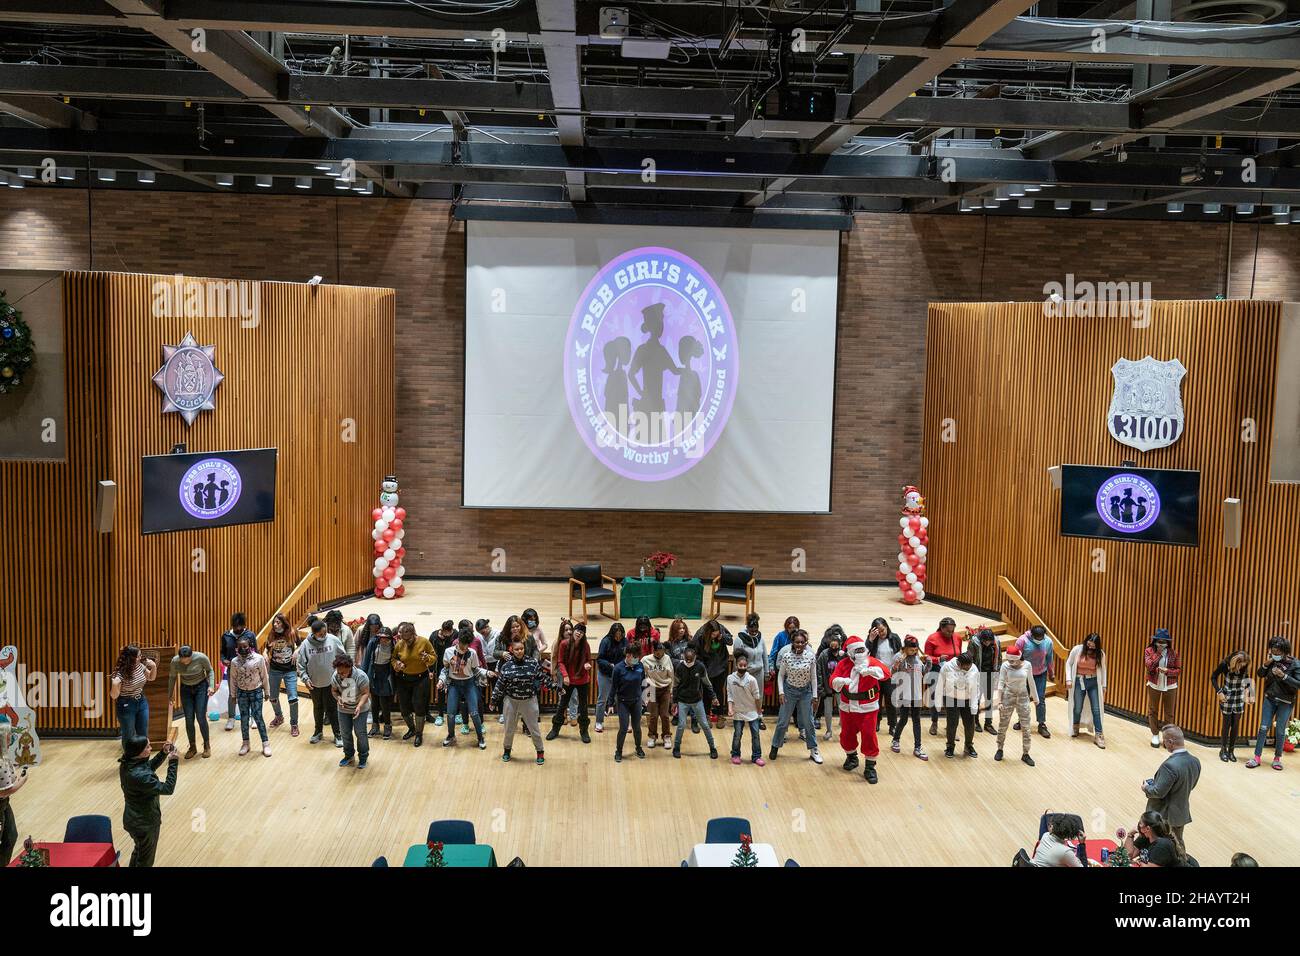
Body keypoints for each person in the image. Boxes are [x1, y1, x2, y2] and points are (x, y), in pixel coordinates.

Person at [830, 635, 891, 783]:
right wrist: (840, 680)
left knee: (869, 736)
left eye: (861, 650)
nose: (859, 653)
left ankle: (870, 767)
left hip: (868, 708)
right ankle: (852, 757)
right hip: (847, 707)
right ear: (850, 653)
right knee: (847, 734)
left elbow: (886, 673)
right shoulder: (843, 664)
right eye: (856, 651)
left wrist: (870, 671)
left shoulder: (873, 662)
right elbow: (832, 680)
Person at [118, 733, 179, 867]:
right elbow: (168, 788)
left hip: (133, 819)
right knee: (145, 861)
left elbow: (148, 767)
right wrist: (173, 761)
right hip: (144, 823)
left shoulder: (128, 763)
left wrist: (163, 753)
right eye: (147, 747)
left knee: (139, 852)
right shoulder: (139, 776)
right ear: (139, 752)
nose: (151, 748)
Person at [491, 637, 550, 764]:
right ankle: (507, 750)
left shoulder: (532, 663)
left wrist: (556, 687)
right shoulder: (506, 666)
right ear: (511, 650)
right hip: (511, 701)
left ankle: (540, 752)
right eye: (516, 649)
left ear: (524, 649)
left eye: (521, 649)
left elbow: (543, 678)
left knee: (534, 728)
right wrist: (493, 700)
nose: (519, 651)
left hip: (529, 700)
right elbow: (500, 684)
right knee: (509, 729)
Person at [1142, 724, 1200, 847]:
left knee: (1160, 848)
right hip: (1180, 813)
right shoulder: (1195, 761)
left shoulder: (1170, 766)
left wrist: (1146, 787)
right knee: (1178, 845)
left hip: (1163, 816)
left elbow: (1158, 792)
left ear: (1170, 741)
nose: (1163, 743)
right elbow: (1191, 785)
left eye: (1164, 740)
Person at [770, 627, 822, 764]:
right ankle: (775, 746)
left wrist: (815, 695)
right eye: (797, 642)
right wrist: (781, 692)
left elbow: (814, 678)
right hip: (789, 691)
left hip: (806, 692)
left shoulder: (810, 656)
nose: (799, 644)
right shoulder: (787, 656)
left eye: (802, 642)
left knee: (809, 722)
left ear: (806, 643)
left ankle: (813, 749)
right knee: (782, 721)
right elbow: (780, 676)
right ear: (792, 642)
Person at [1248, 636, 1299, 770]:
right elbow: (1260, 674)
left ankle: (1277, 759)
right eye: (1273, 652)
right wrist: (1267, 662)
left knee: (1280, 731)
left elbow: (1298, 684)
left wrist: (1284, 676)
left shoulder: (1295, 664)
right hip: (1269, 699)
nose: (1275, 655)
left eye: (1277, 653)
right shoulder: (1272, 661)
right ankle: (1256, 758)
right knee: (1263, 728)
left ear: (1285, 651)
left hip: (1286, 702)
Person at [298, 618, 347, 747]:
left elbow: (343, 657)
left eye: (325, 633)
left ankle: (338, 734)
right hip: (314, 684)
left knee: (332, 709)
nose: (324, 636)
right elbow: (301, 665)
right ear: (313, 633)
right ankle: (318, 732)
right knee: (318, 708)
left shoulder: (333, 639)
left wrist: (341, 674)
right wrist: (305, 679)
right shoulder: (305, 645)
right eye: (321, 634)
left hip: (331, 683)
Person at [438, 627, 488, 749]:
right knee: (450, 713)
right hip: (454, 684)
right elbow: (445, 669)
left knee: (474, 712)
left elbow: (475, 670)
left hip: (469, 684)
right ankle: (451, 735)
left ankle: (480, 737)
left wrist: (486, 674)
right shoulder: (448, 652)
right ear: (457, 640)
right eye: (462, 644)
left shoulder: (472, 653)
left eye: (467, 645)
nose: (464, 648)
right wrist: (441, 680)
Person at [993, 643, 1037, 766]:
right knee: (1003, 724)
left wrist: (1036, 698)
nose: (1011, 662)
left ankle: (1026, 753)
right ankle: (999, 749)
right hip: (1008, 695)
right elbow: (1001, 683)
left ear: (1019, 657)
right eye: (1009, 660)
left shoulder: (1027, 665)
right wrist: (999, 701)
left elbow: (1031, 682)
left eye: (1013, 660)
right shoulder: (1005, 666)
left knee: (1026, 727)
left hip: (1023, 696)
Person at [671, 643, 718, 759]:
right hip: (683, 700)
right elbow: (675, 686)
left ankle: (712, 747)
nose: (688, 661)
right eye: (686, 659)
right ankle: (676, 748)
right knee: (681, 725)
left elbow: (707, 683)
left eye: (691, 659)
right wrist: (674, 702)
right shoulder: (680, 667)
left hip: (697, 701)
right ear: (683, 657)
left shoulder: (700, 667)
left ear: (695, 657)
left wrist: (714, 697)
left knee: (705, 725)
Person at [549, 618, 593, 742]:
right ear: (573, 631)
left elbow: (589, 660)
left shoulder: (586, 645)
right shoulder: (564, 644)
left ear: (584, 635)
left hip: (583, 680)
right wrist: (565, 675)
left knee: (583, 708)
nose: (578, 633)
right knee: (562, 705)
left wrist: (588, 665)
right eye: (577, 630)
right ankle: (555, 729)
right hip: (568, 680)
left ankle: (584, 731)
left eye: (581, 632)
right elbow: (560, 661)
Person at [169, 644, 214, 758]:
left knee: (200, 716)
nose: (184, 663)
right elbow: (172, 677)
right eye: (182, 660)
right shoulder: (175, 661)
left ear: (191, 655)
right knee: (189, 718)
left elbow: (210, 671)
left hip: (201, 687)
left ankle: (207, 745)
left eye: (187, 660)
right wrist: (170, 695)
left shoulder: (201, 658)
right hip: (186, 689)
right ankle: (192, 747)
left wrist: (211, 686)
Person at [229, 636, 271, 757]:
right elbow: (233, 679)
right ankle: (245, 743)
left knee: (258, 717)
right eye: (240, 647)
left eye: (245, 646)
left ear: (250, 646)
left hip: (256, 691)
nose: (243, 649)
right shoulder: (234, 662)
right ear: (237, 648)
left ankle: (265, 744)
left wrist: (267, 691)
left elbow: (264, 675)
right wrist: (233, 695)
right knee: (244, 718)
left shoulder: (259, 659)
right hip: (242, 692)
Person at [1063, 632, 1106, 747]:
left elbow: (1103, 670)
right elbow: (1069, 663)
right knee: (1077, 707)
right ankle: (1075, 725)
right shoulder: (1077, 650)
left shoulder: (1100, 654)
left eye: (1093, 646)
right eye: (1089, 644)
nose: (1090, 647)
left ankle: (1099, 735)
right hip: (1078, 681)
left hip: (1093, 682)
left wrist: (1104, 685)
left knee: (1096, 709)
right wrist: (1068, 679)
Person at [889, 635, 928, 760]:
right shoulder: (898, 657)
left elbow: (924, 673)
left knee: (917, 720)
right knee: (904, 719)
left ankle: (918, 747)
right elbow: (892, 675)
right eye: (911, 650)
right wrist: (896, 666)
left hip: (916, 695)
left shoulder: (917, 658)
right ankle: (895, 740)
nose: (914, 652)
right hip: (904, 694)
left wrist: (929, 664)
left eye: (916, 650)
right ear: (905, 648)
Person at [1209, 649, 1252, 762]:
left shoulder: (1245, 665)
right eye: (1241, 664)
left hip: (1239, 697)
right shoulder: (1224, 664)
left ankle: (1231, 751)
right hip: (1227, 696)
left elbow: (1248, 681)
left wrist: (1250, 695)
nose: (1242, 666)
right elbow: (1213, 677)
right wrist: (1219, 692)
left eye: (1244, 665)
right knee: (1226, 724)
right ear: (1235, 661)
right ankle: (1223, 750)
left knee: (1236, 725)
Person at [605, 645, 647, 762]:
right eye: (634, 657)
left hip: (636, 701)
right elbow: (613, 687)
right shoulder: (618, 668)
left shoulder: (640, 666)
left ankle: (638, 748)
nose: (637, 659)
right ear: (627, 656)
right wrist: (610, 704)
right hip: (623, 702)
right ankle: (618, 751)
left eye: (637, 657)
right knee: (623, 728)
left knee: (637, 727)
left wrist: (646, 698)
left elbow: (643, 682)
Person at [1014, 625, 1054, 739]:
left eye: (1041, 637)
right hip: (1024, 674)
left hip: (1041, 674)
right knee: (1023, 698)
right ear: (1032, 635)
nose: (1039, 640)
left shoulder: (1048, 642)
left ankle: (1041, 724)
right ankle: (1021, 720)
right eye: (1037, 637)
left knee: (1040, 699)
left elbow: (1050, 658)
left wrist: (1052, 673)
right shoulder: (1022, 641)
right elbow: (1015, 657)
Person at [331, 653, 371, 769]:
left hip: (360, 709)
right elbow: (334, 691)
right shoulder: (336, 676)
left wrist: (359, 706)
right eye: (339, 672)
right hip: (343, 709)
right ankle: (348, 755)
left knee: (360, 733)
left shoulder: (361, 676)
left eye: (343, 673)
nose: (340, 675)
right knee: (345, 733)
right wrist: (338, 698)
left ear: (350, 668)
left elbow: (365, 693)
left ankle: (363, 757)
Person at [938, 652, 980, 759]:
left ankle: (969, 745)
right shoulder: (947, 667)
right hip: (951, 698)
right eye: (965, 667)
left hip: (968, 699)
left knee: (970, 724)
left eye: (969, 666)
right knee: (952, 723)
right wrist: (938, 702)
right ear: (959, 664)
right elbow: (940, 684)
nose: (968, 668)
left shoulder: (974, 669)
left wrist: (975, 705)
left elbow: (976, 687)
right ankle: (950, 746)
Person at [923, 617, 962, 736]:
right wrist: (938, 659)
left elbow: (960, 654)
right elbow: (926, 658)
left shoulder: (957, 637)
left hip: (953, 674)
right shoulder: (932, 638)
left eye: (952, 631)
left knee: (952, 700)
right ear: (941, 628)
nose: (950, 634)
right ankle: (934, 722)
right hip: (936, 671)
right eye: (948, 631)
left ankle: (950, 726)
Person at [264, 612, 300, 738]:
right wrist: (265, 655)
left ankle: (294, 724)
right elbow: (266, 648)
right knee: (273, 697)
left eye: (278, 622)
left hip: (290, 670)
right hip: (275, 669)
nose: (275, 624)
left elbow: (301, 645)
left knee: (293, 698)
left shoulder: (292, 633)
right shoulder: (271, 634)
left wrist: (297, 651)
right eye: (274, 622)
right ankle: (279, 716)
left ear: (284, 623)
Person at [1142, 628, 1180, 748]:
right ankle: (1155, 734)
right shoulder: (1149, 651)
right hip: (1154, 683)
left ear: (1168, 642)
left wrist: (1168, 671)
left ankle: (1167, 737)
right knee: (1153, 710)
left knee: (1169, 713)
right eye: (1159, 641)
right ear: (1155, 641)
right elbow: (1149, 666)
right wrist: (1158, 654)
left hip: (1170, 685)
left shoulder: (1174, 653)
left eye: (1164, 642)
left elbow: (1178, 670)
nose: (1161, 644)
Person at [110, 644, 156, 740]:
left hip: (141, 701)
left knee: (143, 733)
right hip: (126, 704)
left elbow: (151, 678)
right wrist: (114, 684)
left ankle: (144, 755)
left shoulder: (139, 666)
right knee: (129, 735)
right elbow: (114, 696)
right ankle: (129, 755)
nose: (141, 658)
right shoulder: (120, 672)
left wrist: (154, 666)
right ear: (131, 658)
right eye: (138, 656)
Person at [727, 650, 765, 766]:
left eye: (744, 666)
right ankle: (735, 754)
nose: (742, 667)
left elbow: (757, 697)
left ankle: (756, 756)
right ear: (736, 665)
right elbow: (730, 694)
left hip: (752, 711)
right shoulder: (730, 678)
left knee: (755, 734)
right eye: (740, 665)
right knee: (737, 734)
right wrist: (730, 708)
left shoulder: (752, 680)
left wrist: (759, 712)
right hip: (738, 711)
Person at [866, 618, 903, 736]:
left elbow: (901, 652)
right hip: (876, 674)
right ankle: (876, 722)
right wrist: (870, 639)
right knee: (875, 700)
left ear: (887, 627)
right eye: (879, 632)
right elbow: (864, 653)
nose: (882, 633)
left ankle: (892, 725)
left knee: (891, 701)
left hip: (890, 674)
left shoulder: (895, 638)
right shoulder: (872, 639)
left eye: (883, 630)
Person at [361, 625, 396, 739]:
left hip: (386, 675)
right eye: (381, 637)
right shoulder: (373, 643)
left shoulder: (394, 645)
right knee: (374, 702)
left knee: (384, 703)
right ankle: (375, 726)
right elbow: (366, 660)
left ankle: (387, 725)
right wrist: (363, 676)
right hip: (374, 674)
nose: (383, 640)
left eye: (386, 638)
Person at [695, 619, 733, 725]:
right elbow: (694, 650)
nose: (714, 635)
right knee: (707, 692)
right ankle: (706, 715)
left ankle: (720, 715)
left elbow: (730, 641)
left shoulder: (721, 629)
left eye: (716, 633)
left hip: (721, 667)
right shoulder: (701, 634)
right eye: (712, 634)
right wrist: (701, 666)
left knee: (719, 691)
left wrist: (723, 637)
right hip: (707, 668)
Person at [965, 627, 1000, 735]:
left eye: (989, 641)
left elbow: (999, 658)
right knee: (976, 699)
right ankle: (975, 722)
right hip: (977, 674)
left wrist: (997, 671)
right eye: (985, 641)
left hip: (990, 674)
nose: (987, 643)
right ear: (981, 639)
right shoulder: (974, 642)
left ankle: (988, 723)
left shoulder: (996, 642)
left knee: (989, 699)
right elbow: (969, 658)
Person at [219, 612, 251, 730]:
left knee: (249, 693)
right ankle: (231, 718)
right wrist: (223, 660)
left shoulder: (249, 635)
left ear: (244, 625)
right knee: (232, 694)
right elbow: (222, 652)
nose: (238, 629)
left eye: (240, 626)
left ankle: (251, 717)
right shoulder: (226, 636)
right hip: (232, 670)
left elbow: (255, 651)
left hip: (248, 669)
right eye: (235, 626)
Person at [0, 715, 25, 865]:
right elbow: (3, 791)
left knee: (11, 835)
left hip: (4, 803)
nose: (12, 738)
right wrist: (23, 780)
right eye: (9, 735)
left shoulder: (4, 756)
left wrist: (16, 778)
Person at [735, 613, 767, 729]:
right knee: (744, 695)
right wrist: (738, 674)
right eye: (752, 631)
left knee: (759, 696)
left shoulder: (760, 638)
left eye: (756, 631)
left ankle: (759, 717)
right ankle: (742, 718)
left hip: (759, 672)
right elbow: (737, 657)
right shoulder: (739, 639)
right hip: (745, 673)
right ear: (747, 628)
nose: (754, 633)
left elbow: (764, 656)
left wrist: (767, 672)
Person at [595, 622, 628, 734]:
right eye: (616, 635)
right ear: (612, 634)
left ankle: (625, 723)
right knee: (602, 699)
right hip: (605, 674)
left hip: (619, 674)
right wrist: (610, 665)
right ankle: (599, 722)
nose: (618, 637)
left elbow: (627, 656)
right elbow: (599, 659)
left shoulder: (625, 641)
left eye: (620, 634)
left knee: (622, 699)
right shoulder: (605, 641)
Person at [641, 639, 675, 748]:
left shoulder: (667, 658)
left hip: (665, 689)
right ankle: (652, 736)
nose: (659, 653)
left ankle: (666, 736)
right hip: (651, 689)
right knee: (653, 716)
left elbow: (671, 676)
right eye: (657, 651)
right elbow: (639, 671)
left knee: (665, 715)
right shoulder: (646, 660)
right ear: (653, 651)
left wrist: (671, 691)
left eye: (661, 651)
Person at [815, 630, 844, 743]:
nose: (834, 650)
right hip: (827, 687)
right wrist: (820, 688)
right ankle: (829, 730)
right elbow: (819, 672)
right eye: (832, 647)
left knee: (843, 709)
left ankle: (843, 730)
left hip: (840, 687)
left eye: (836, 647)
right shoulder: (823, 655)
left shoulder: (843, 655)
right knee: (828, 711)